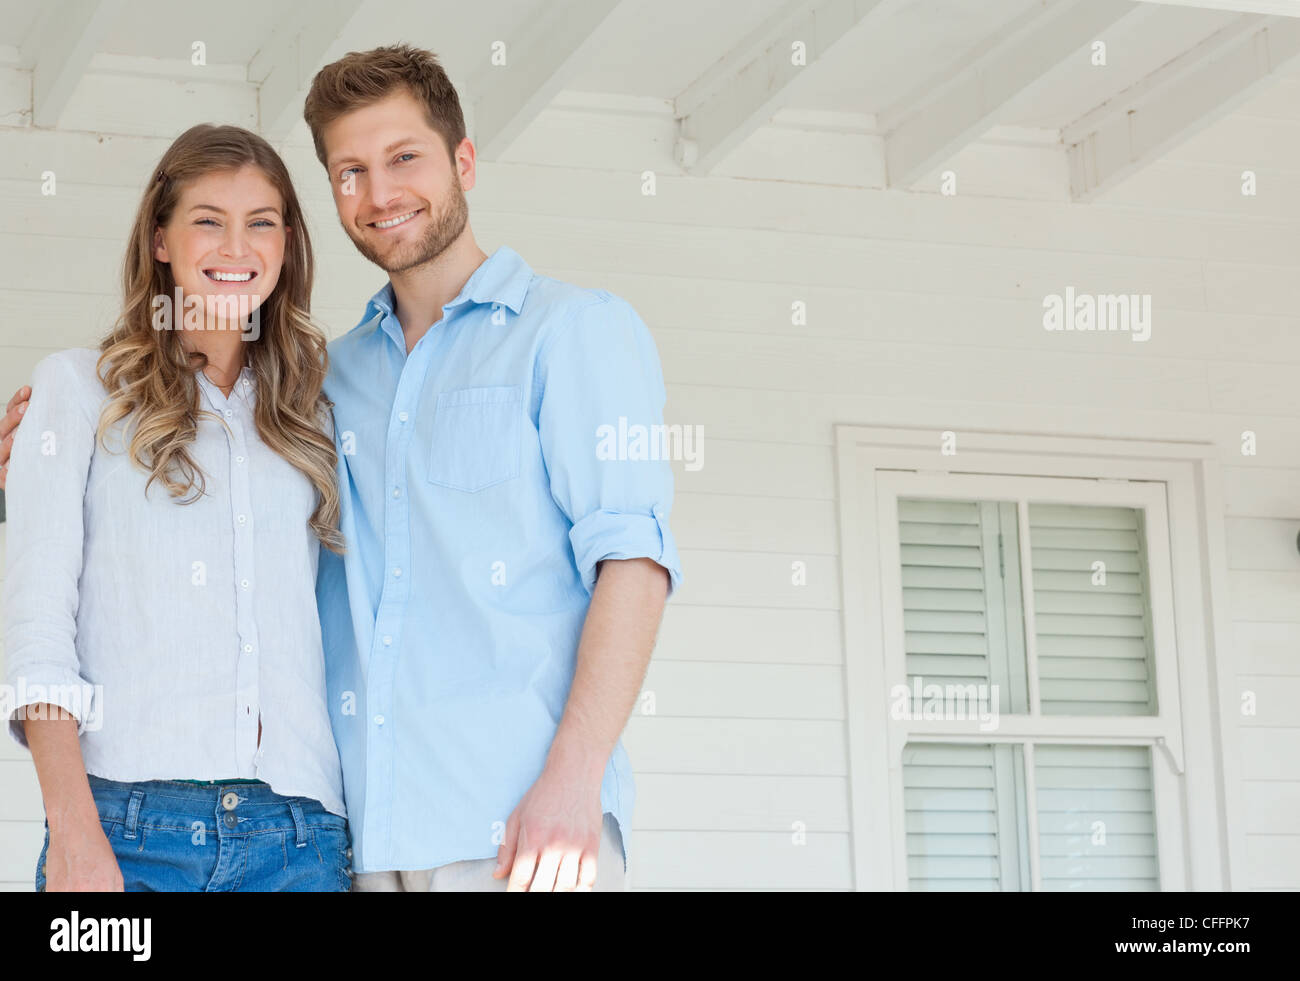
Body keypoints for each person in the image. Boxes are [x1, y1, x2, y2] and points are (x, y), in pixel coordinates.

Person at [3, 43, 681, 892]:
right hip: (350, 840)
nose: (380, 192)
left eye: (405, 159)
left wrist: (578, 781)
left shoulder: (569, 333)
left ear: (463, 160)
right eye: (350, 171)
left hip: (513, 829)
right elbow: (70, 593)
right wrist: (35, 467)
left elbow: (635, 560)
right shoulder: (325, 382)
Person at [1, 124, 352, 892]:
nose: (237, 246)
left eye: (261, 222)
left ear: (286, 242)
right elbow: (37, 627)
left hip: (298, 841)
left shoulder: (315, 415)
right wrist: (73, 832)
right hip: (126, 832)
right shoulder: (76, 390)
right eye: (207, 220)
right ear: (161, 239)